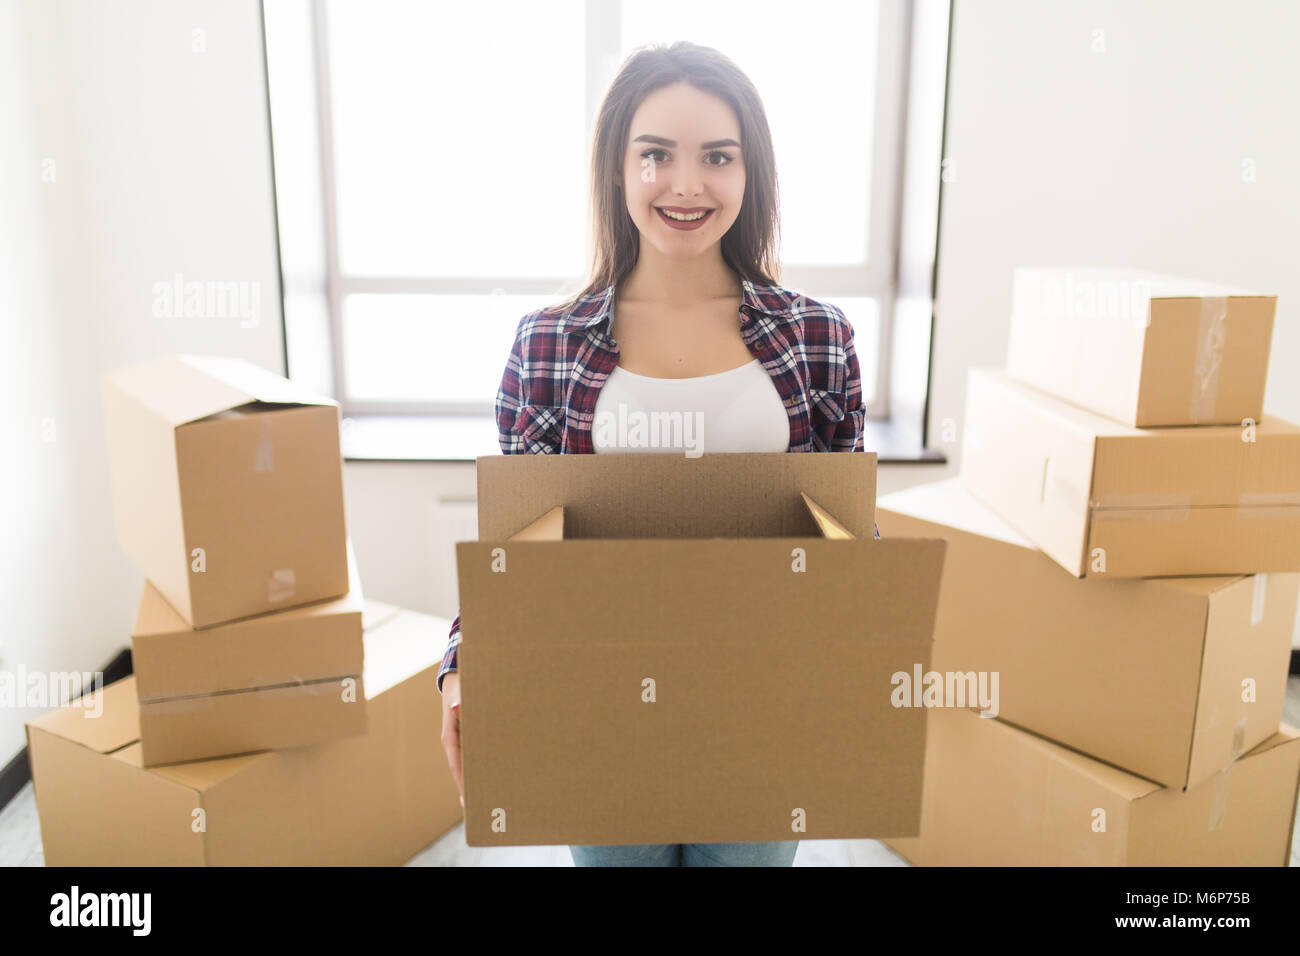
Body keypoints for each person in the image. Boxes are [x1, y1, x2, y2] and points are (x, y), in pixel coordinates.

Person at [438, 40, 876, 867]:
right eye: (656, 155)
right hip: (598, 708)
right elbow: (513, 549)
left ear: (751, 175)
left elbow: (848, 534)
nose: (686, 184)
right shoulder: (549, 345)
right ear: (618, 169)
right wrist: (464, 668)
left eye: (717, 156)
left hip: (760, 710)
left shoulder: (817, 337)